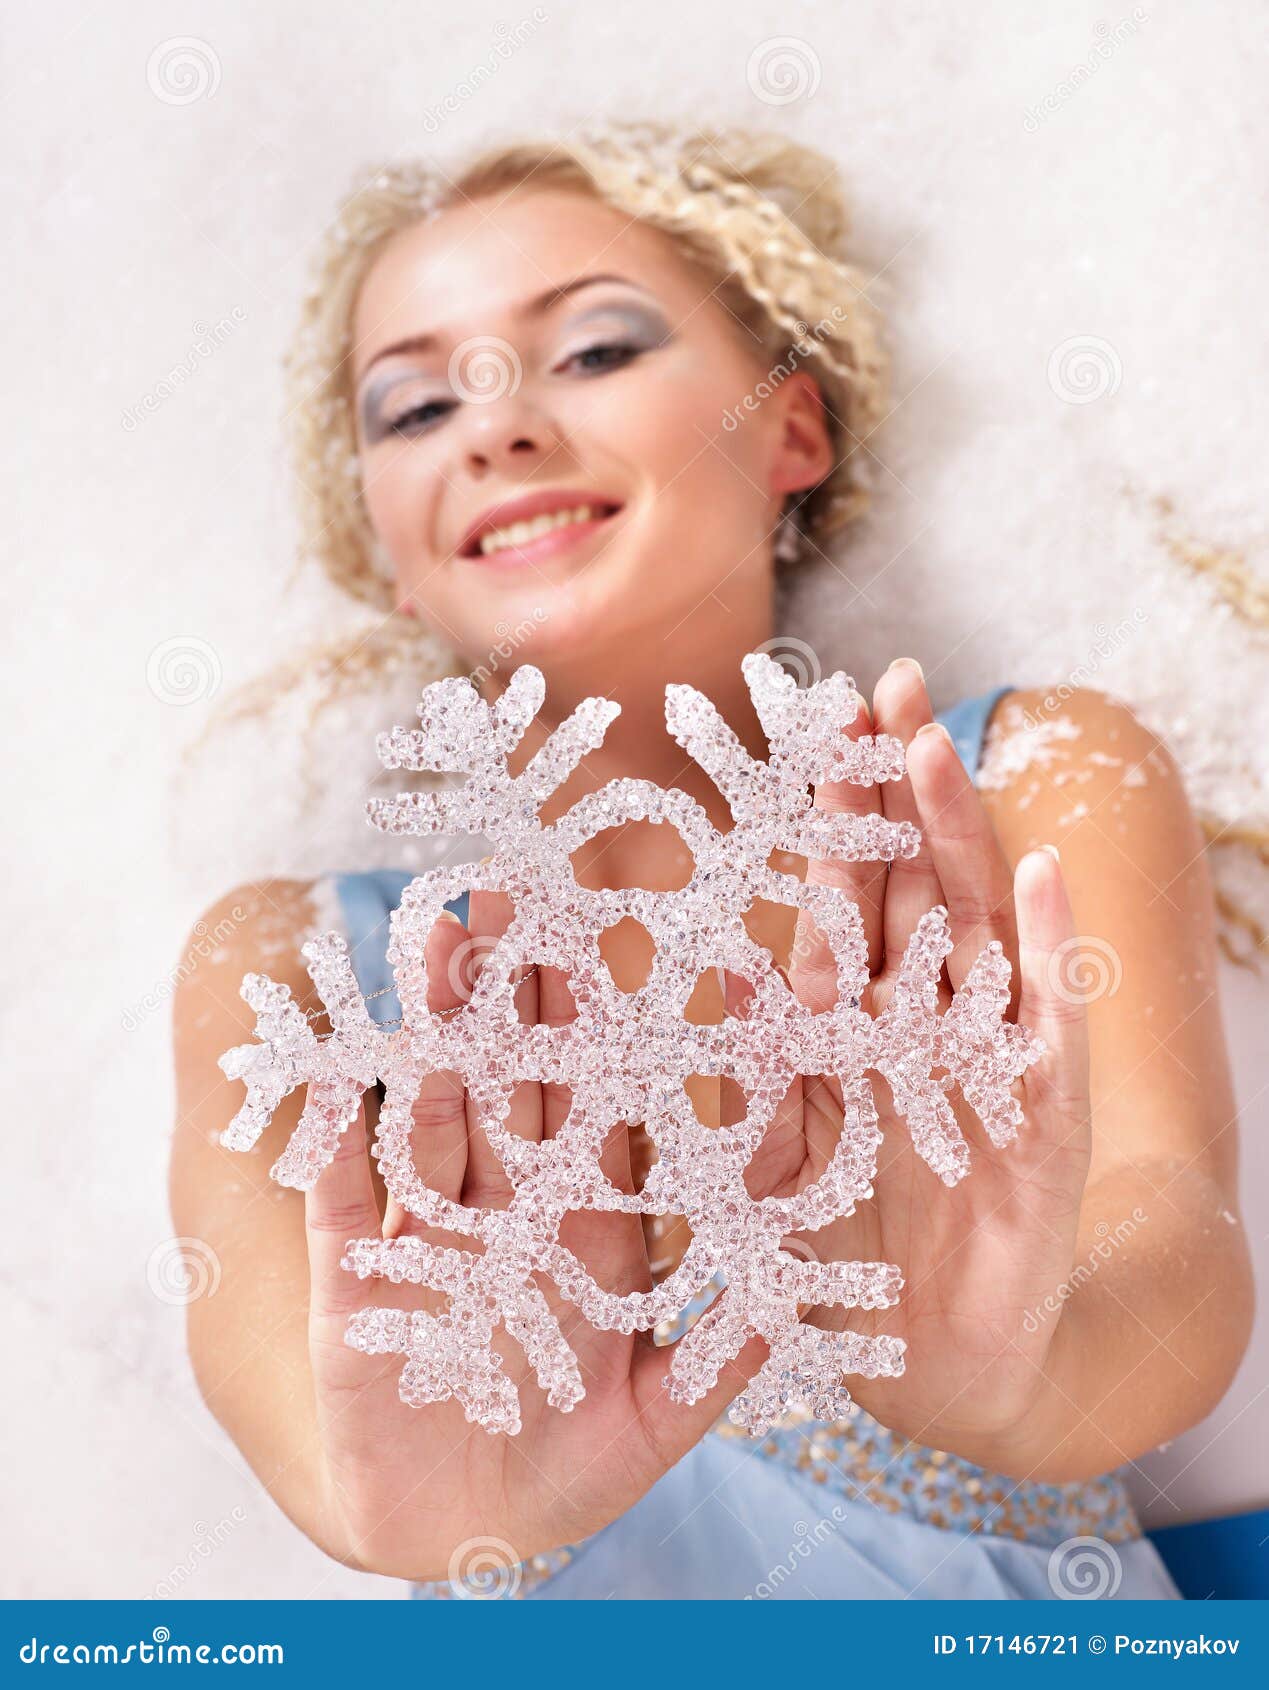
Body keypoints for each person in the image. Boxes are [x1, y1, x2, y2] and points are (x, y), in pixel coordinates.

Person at [170, 123, 1251, 1600]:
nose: (493, 428)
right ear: (386, 541)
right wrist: (421, 1506)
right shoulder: (289, 972)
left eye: (594, 349)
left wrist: (1016, 1369)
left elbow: (1172, 1232)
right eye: (413, 406)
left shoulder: (1019, 783)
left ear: (789, 428)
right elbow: (317, 1432)